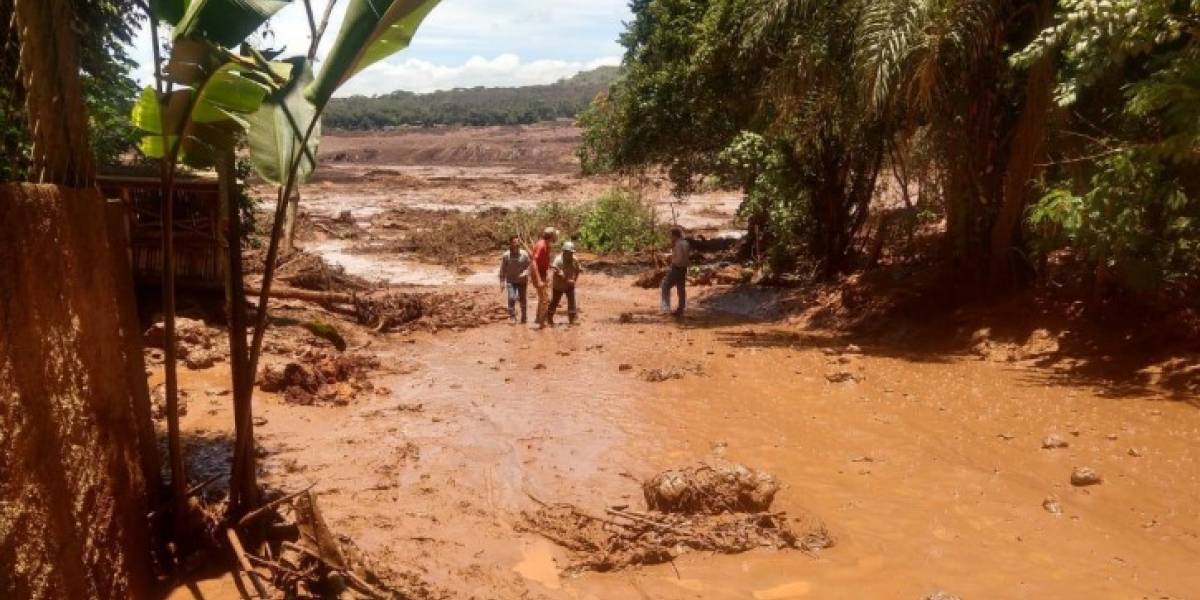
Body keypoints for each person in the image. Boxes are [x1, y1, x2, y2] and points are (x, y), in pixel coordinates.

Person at [547, 241, 582, 325]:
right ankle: (549, 317)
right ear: (564, 252)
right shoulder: (558, 260)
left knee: (572, 302)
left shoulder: (575, 259)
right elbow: (555, 270)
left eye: (572, 253)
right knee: (555, 301)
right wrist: (566, 279)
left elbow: (577, 270)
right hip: (558, 285)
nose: (570, 254)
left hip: (569, 285)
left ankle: (572, 319)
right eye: (569, 252)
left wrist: (574, 280)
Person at [498, 235, 530, 323]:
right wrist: (501, 281)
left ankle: (524, 317)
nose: (517, 244)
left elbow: (530, 266)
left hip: (522, 281)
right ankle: (512, 316)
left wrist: (526, 272)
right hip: (511, 281)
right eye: (515, 242)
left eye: (518, 242)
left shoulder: (524, 254)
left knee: (523, 299)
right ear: (511, 243)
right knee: (511, 297)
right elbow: (503, 269)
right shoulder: (506, 255)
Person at [530, 227, 557, 328]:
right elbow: (534, 262)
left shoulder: (546, 245)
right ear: (551, 236)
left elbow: (542, 260)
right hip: (538, 275)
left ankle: (538, 318)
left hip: (542, 273)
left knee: (542, 298)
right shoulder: (541, 245)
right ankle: (542, 323)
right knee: (545, 299)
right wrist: (539, 280)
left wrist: (550, 266)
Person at [661, 226, 689, 317]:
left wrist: (672, 261)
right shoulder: (685, 243)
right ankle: (681, 308)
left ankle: (665, 308)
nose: (670, 238)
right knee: (681, 289)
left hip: (677, 268)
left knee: (665, 285)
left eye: (671, 236)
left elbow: (679, 258)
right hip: (684, 268)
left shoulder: (678, 244)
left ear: (675, 235)